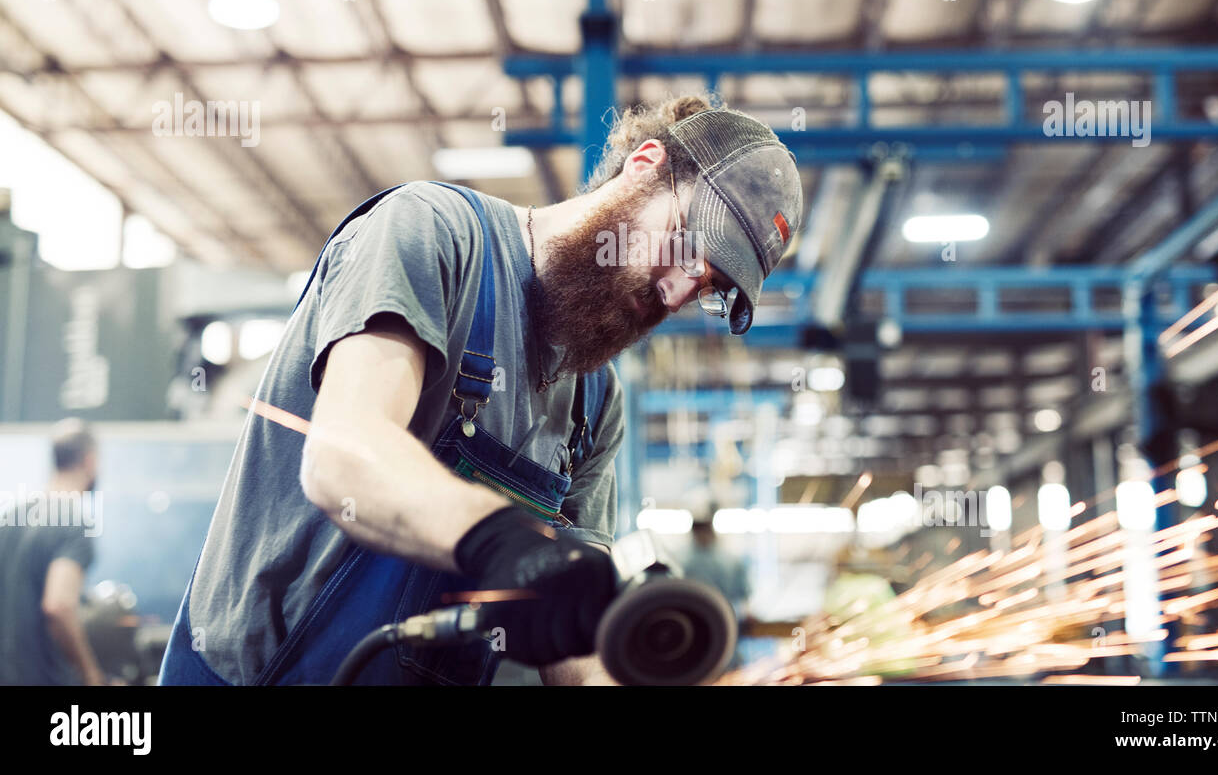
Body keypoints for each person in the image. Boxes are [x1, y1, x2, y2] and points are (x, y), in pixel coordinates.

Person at [159, 96, 803, 685]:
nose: (677, 291)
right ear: (644, 165)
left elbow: (573, 646)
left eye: (709, 288)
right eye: (687, 246)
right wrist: (504, 541)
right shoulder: (432, 235)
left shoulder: (595, 403)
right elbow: (344, 457)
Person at [0, 419, 108, 685]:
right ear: (90, 461)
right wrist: (91, 674)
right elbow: (58, 605)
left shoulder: (11, 516)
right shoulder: (74, 520)